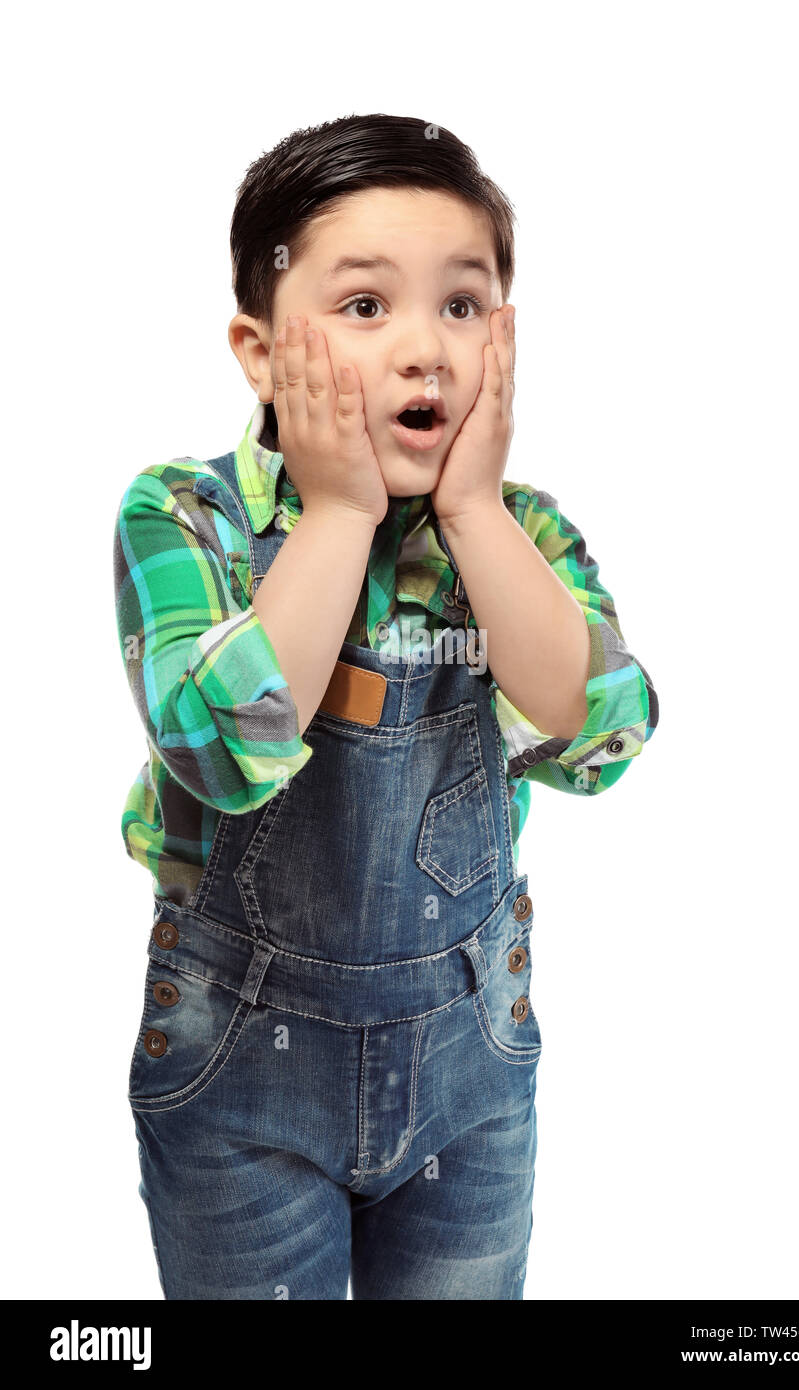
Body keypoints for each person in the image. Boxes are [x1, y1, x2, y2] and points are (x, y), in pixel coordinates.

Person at [113, 113, 659, 1300]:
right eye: (365, 308)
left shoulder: (523, 534)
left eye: (460, 307)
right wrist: (340, 513)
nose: (424, 348)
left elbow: (601, 729)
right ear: (260, 354)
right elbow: (224, 745)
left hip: (469, 1067)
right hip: (240, 1077)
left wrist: (472, 514)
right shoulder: (187, 518)